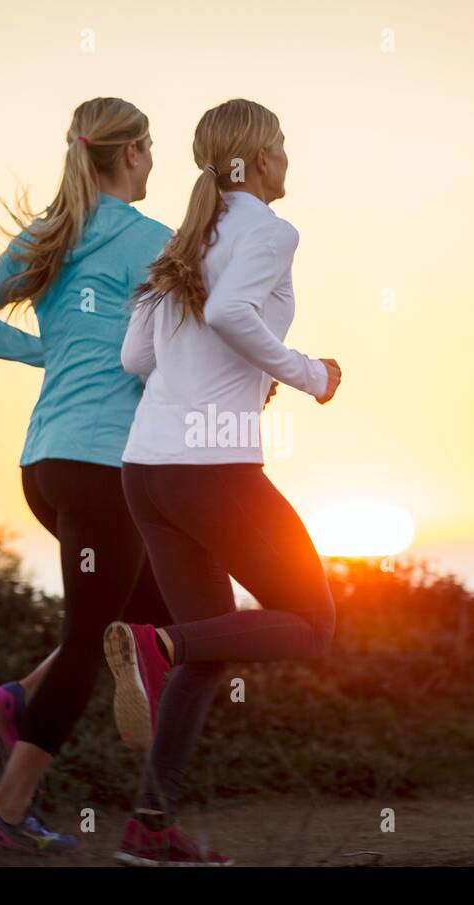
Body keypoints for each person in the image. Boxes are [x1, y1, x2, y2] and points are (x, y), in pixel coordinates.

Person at [104, 99, 342, 866]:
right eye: (283, 145)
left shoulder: (182, 238)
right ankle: (154, 641)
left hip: (148, 472)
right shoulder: (271, 232)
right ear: (263, 158)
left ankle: (149, 824)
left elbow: (136, 360)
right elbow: (236, 313)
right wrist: (310, 375)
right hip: (212, 472)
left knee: (207, 656)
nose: (287, 159)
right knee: (312, 622)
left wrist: (237, 373)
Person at [0, 97, 173, 852]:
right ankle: (4, 815)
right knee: (95, 638)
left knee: (156, 613)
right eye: (151, 149)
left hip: (44, 466)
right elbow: (183, 349)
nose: (153, 161)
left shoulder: (46, 235)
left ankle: (21, 696)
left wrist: (51, 355)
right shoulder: (153, 242)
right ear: (132, 152)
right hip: (104, 469)